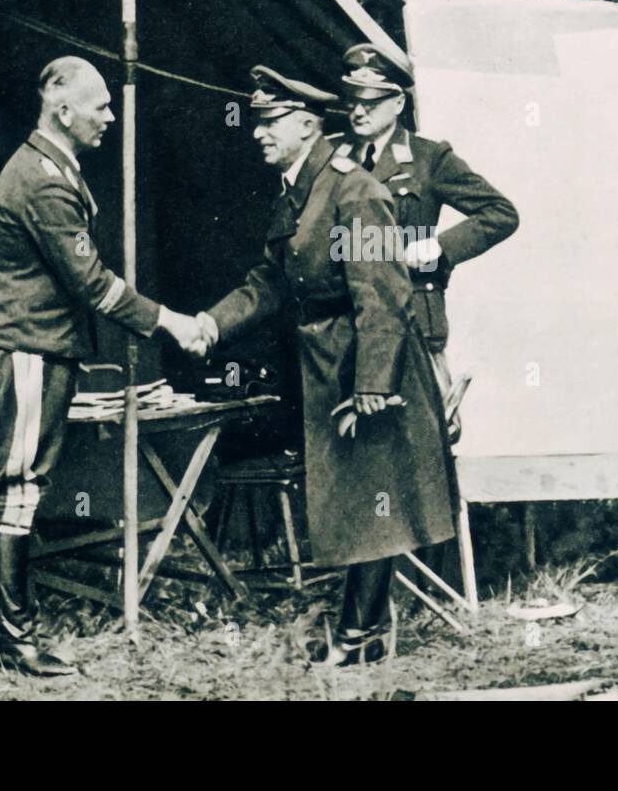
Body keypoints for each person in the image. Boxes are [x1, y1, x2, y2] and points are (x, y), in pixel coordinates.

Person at [191, 65, 455, 665]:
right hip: (327, 354)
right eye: (256, 120)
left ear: (308, 124)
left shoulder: (352, 189)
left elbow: (383, 293)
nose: (258, 131)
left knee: (372, 497)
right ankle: (362, 632)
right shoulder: (299, 188)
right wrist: (212, 323)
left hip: (367, 357)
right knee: (357, 499)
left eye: (271, 120)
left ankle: (361, 637)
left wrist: (371, 385)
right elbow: (269, 281)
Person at [0, 55, 202, 675]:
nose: (110, 118)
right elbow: (92, 285)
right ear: (65, 113)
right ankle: (14, 643)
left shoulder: (50, 166)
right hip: (22, 349)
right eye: (101, 108)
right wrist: (170, 321)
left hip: (28, 346)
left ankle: (13, 634)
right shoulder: (41, 178)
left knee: (22, 486)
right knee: (18, 489)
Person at [336, 42, 519, 584]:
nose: (359, 110)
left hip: (417, 325)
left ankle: (433, 581)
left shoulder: (430, 157)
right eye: (352, 100)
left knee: (422, 453)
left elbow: (500, 212)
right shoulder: (336, 160)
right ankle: (367, 584)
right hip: (354, 328)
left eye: (371, 100)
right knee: (362, 457)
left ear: (398, 102)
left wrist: (439, 248)